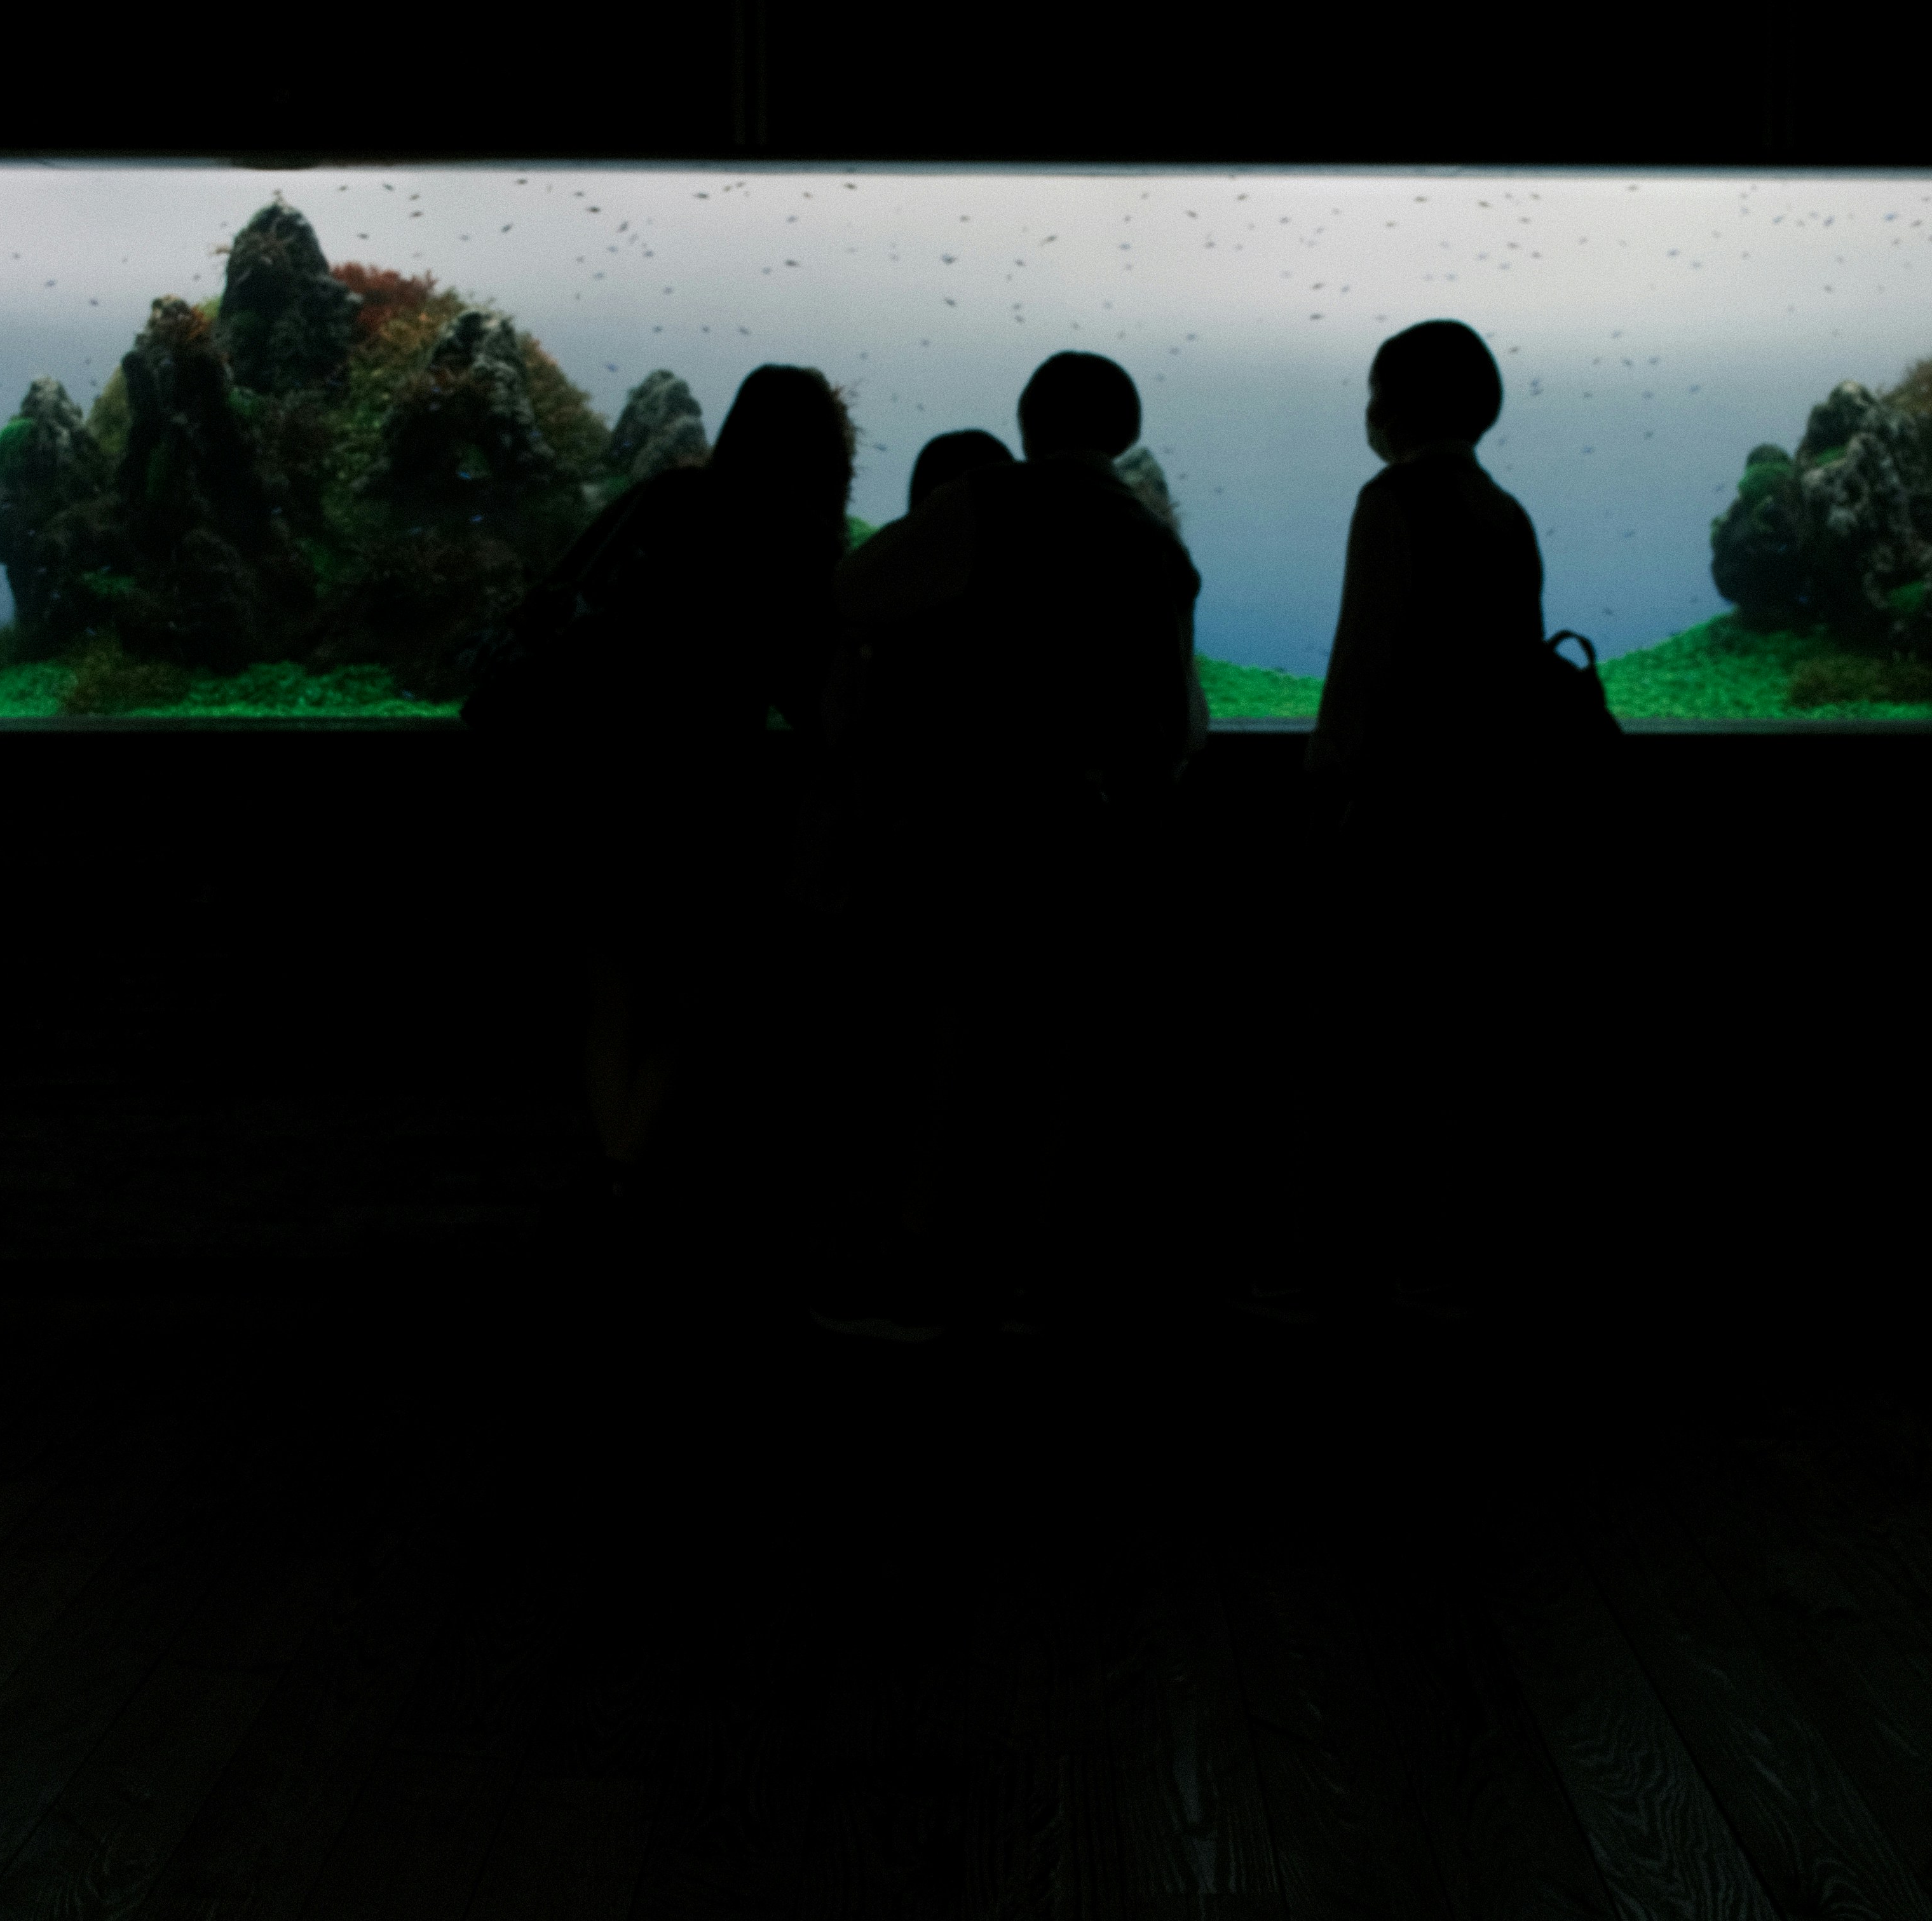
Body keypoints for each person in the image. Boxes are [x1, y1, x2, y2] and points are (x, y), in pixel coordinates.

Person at [562, 318, 1556, 1320]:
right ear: (1121, 433)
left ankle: (919, 1256)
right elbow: (1181, 718)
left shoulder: (983, 505)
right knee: (1074, 1055)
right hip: (1141, 833)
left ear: (1029, 423)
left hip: (975, 828)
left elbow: (855, 591)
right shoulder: (1169, 538)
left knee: (952, 1043)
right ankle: (1065, 1265)